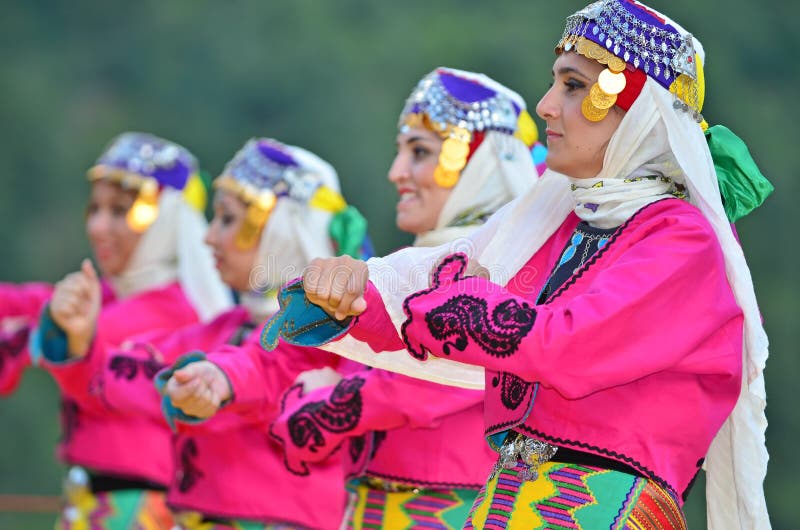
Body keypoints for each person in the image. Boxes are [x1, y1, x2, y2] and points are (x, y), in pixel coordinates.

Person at [263, 2, 773, 529]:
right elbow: (440, 285)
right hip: (504, 504)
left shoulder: (679, 237)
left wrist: (460, 299)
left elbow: (567, 345)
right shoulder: (556, 222)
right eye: (556, 84)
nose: (547, 105)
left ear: (635, 105)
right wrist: (349, 296)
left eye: (573, 86)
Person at [175, 68, 544, 529]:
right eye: (400, 152)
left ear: (484, 166)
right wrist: (224, 375)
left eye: (420, 152)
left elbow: (434, 380)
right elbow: (292, 356)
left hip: (457, 510)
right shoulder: (408, 269)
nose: (396, 173)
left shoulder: (511, 273)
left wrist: (328, 405)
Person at [43, 137, 370, 529]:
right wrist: (80, 343)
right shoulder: (225, 330)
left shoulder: (332, 339)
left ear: (282, 229)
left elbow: (267, 375)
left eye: (228, 220)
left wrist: (220, 382)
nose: (209, 237)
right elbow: (129, 376)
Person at [29, 131, 233, 529]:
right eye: (95, 209)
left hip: (143, 511)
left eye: (121, 211)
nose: (99, 227)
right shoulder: (105, 298)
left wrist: (64, 333)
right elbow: (27, 304)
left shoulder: (177, 312)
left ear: (169, 219)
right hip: (92, 503)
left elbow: (76, 350)